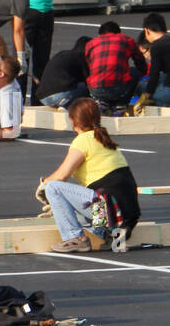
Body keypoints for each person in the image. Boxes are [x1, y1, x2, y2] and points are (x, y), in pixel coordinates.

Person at [40, 97, 141, 253]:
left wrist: (44, 184)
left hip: (108, 211)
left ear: (74, 121)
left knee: (53, 188)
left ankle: (75, 238)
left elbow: (61, 175)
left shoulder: (83, 140)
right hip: (125, 216)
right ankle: (106, 233)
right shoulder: (105, 140)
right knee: (71, 204)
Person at [2, 0, 57, 104]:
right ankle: (17, 102)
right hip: (27, 14)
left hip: (46, 14)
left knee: (42, 60)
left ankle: (38, 101)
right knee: (21, 60)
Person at [84, 21, 146, 111]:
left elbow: (90, 67)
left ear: (100, 34)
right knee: (135, 72)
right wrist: (144, 74)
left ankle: (102, 102)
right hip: (119, 89)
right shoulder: (126, 40)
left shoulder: (90, 44)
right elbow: (139, 61)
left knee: (99, 77)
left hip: (95, 90)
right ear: (118, 33)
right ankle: (121, 105)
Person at [36, 36, 90, 110]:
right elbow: (88, 81)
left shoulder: (63, 54)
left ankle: (64, 103)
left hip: (43, 98)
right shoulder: (81, 56)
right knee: (84, 87)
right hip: (60, 96)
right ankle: (67, 105)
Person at [138, 13, 170, 108]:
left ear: (146, 31)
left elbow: (154, 74)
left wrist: (147, 94)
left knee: (154, 94)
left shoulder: (157, 46)